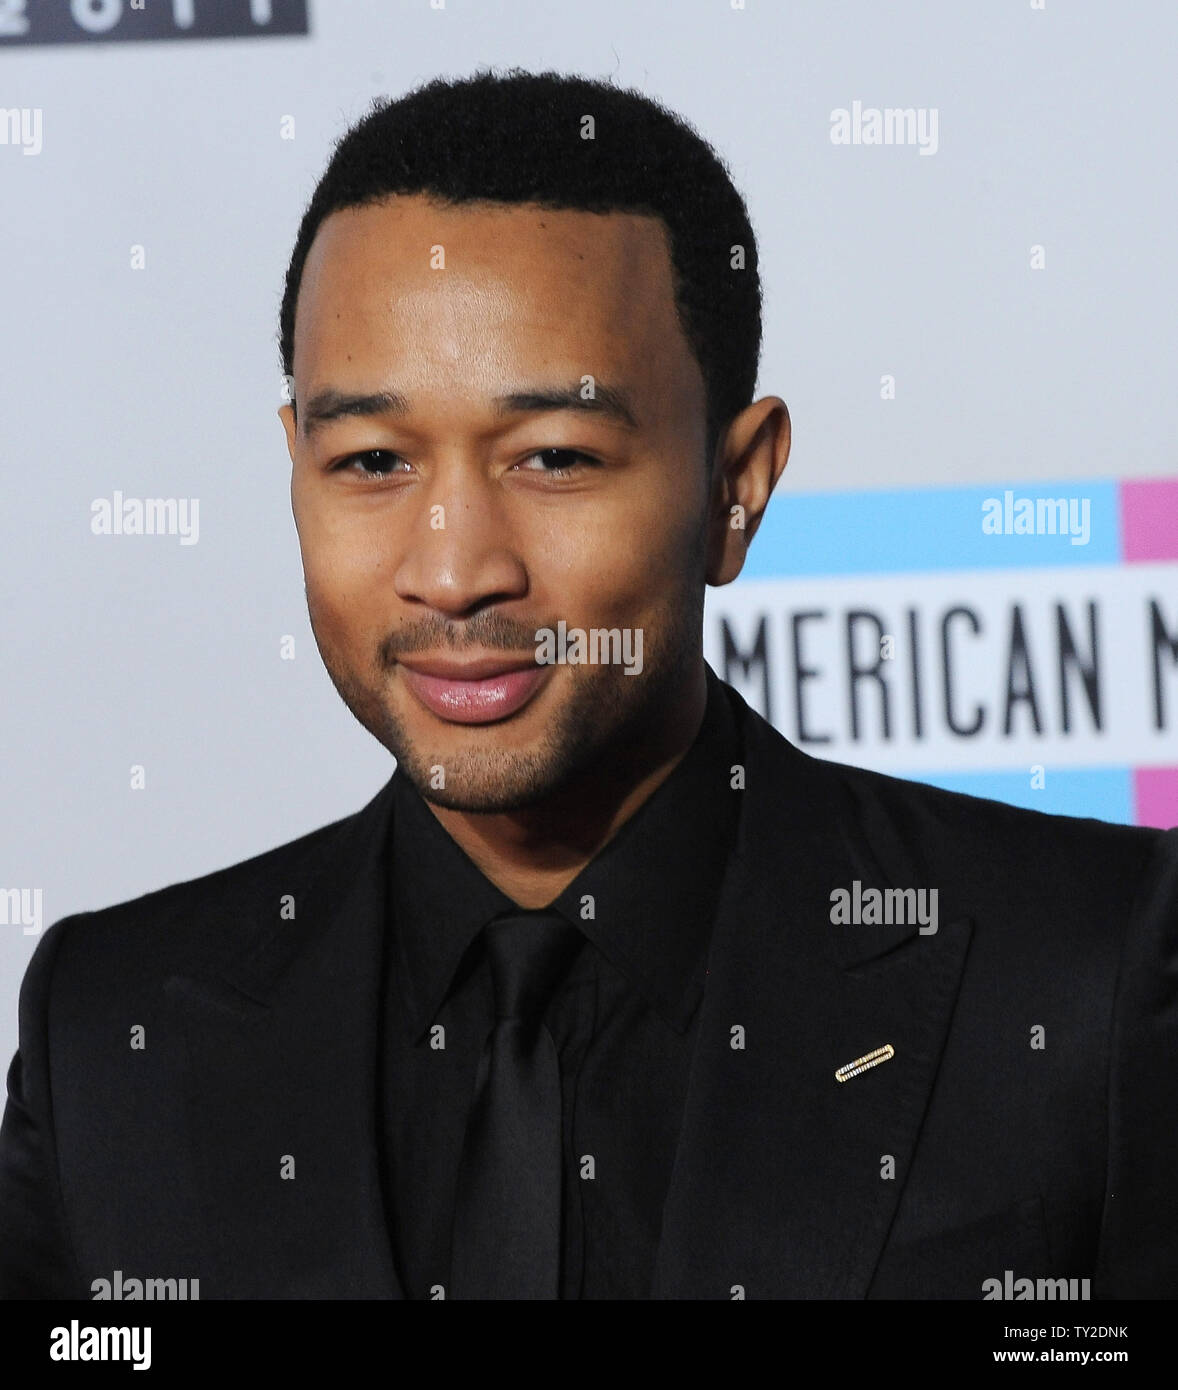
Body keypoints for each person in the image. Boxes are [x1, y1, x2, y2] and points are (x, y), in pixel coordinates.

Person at [2, 68, 1175, 1301]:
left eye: (554, 457)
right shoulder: (114, 1032)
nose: (454, 570)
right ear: (292, 468)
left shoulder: (1082, 971)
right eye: (372, 460)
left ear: (738, 488)